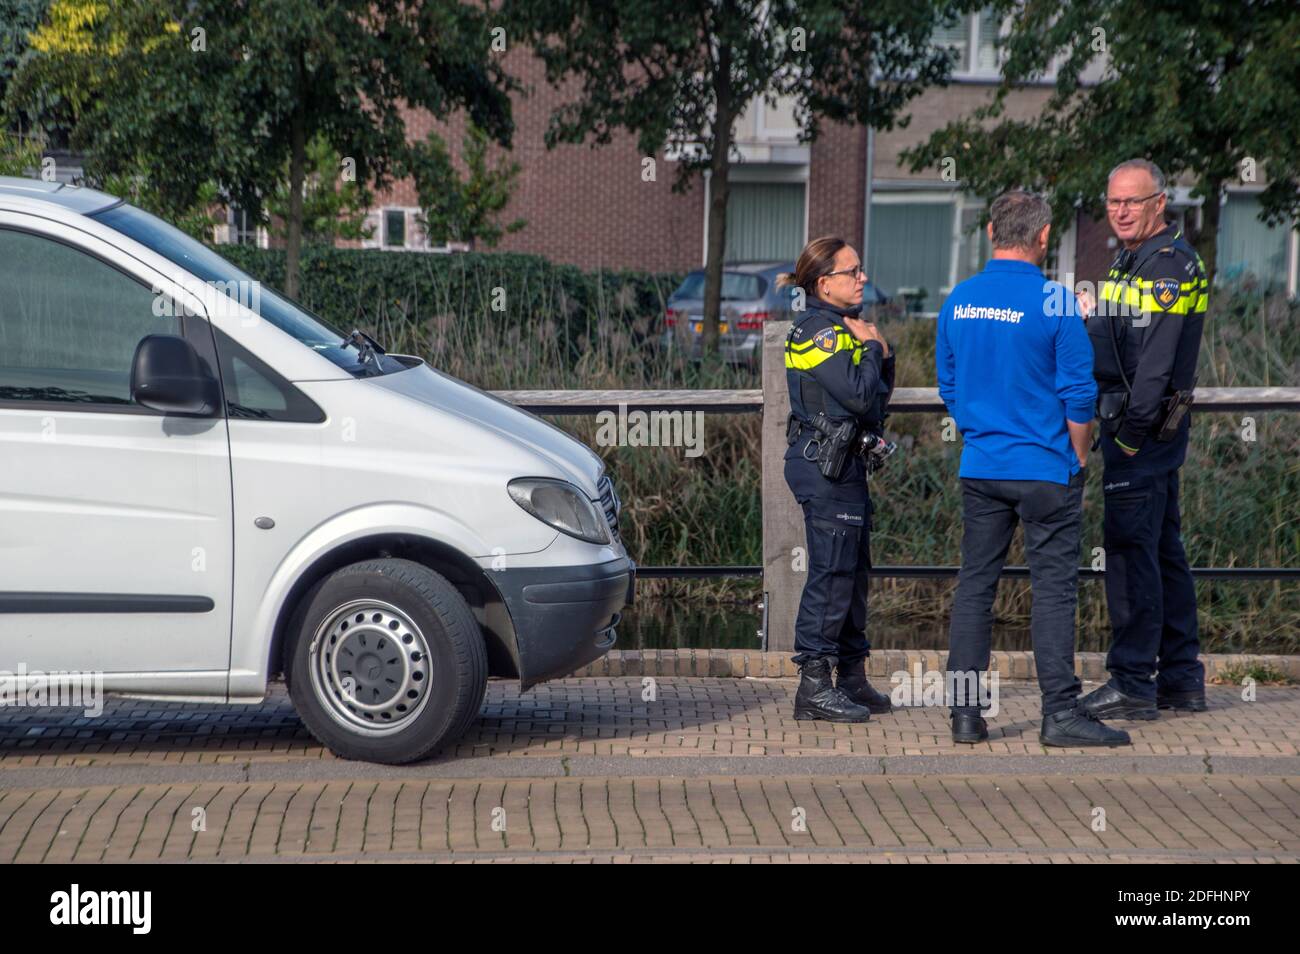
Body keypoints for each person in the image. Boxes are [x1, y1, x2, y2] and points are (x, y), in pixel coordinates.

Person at [937, 191, 1130, 747]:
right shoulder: (1056, 302)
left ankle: (966, 717)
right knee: (1052, 592)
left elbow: (950, 385)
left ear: (992, 233)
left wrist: (979, 431)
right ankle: (1060, 715)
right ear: (1044, 237)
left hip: (982, 465)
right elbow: (1078, 395)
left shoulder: (960, 300)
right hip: (1046, 468)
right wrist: (1075, 457)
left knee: (975, 588)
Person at [1076, 159, 1209, 720]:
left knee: (1131, 557)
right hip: (1151, 432)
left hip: (1143, 433)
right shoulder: (1138, 261)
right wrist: (1091, 311)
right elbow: (1121, 337)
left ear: (1160, 203)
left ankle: (1132, 681)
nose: (1121, 211)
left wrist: (1128, 436)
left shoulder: (1165, 266)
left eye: (1133, 201)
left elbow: (1153, 366)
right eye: (1113, 202)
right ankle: (1180, 679)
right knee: (1163, 552)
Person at [779, 236, 895, 722]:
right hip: (822, 467)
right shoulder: (816, 331)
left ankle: (850, 676)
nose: (862, 277)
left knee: (853, 573)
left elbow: (878, 399)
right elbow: (859, 397)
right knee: (829, 575)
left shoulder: (842, 326)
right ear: (825, 283)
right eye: (854, 271)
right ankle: (813, 686)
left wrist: (880, 356)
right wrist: (873, 350)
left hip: (845, 466)